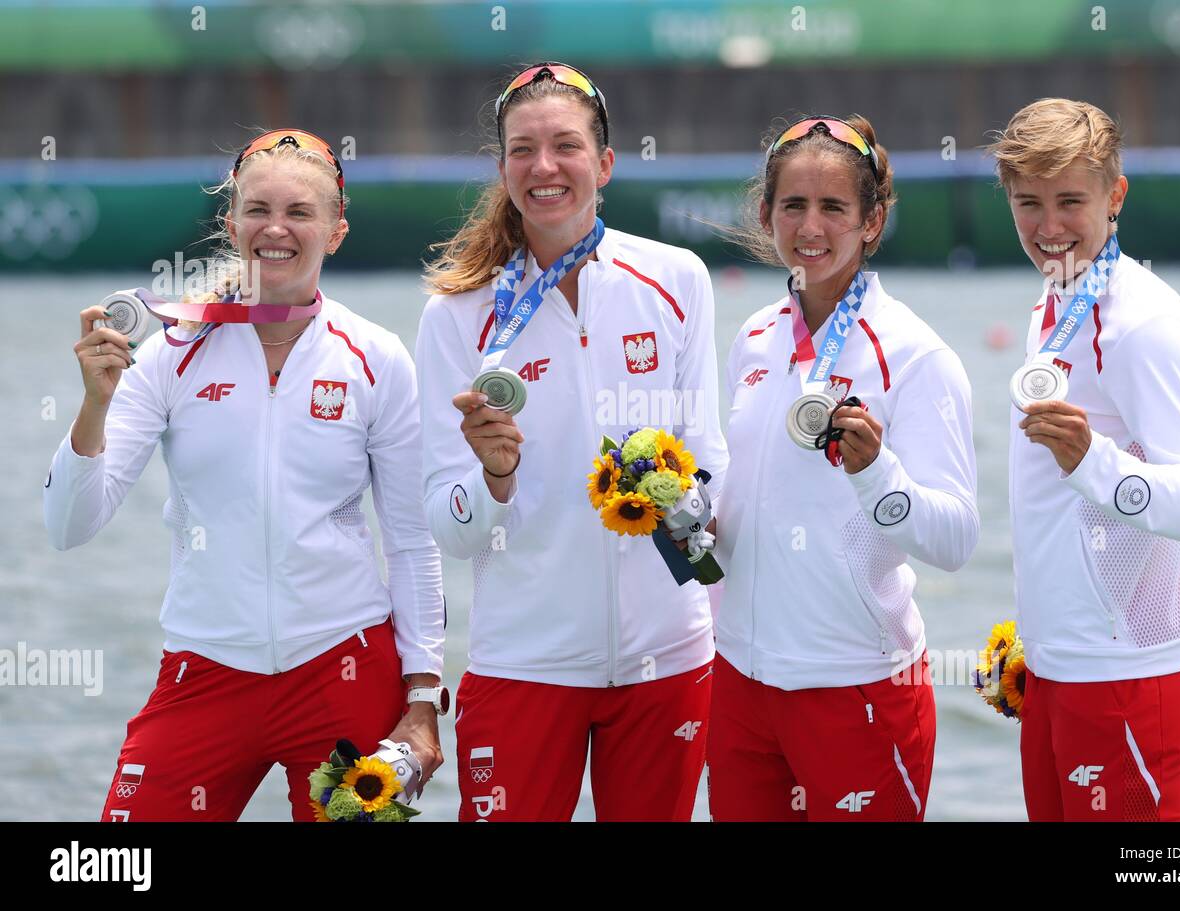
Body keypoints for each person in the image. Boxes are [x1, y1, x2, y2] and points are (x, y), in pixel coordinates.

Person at [44, 129, 446, 822]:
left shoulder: (377, 356)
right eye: (258, 210)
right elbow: (68, 526)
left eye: (300, 212)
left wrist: (422, 700)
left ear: (336, 231)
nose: (277, 229)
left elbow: (412, 541)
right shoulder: (172, 352)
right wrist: (95, 401)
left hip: (341, 670)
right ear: (232, 224)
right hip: (204, 671)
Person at [417, 62, 727, 821]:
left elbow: (713, 459)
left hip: (668, 658)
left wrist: (681, 496)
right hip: (524, 663)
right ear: (501, 169)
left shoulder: (676, 278)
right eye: (523, 150)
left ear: (606, 164)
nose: (544, 167)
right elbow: (448, 530)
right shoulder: (456, 317)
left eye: (565, 146)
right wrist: (493, 480)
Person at [708, 115, 979, 821]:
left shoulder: (916, 355)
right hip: (739, 683)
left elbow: (954, 541)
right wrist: (691, 516)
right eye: (793, 205)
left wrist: (875, 473)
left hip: (858, 688)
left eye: (833, 207)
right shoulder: (753, 337)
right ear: (766, 214)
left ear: (872, 221)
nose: (810, 227)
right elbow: (753, 498)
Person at [988, 98, 1180, 821]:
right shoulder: (1054, 303)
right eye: (1028, 203)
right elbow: (1054, 512)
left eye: (1070, 201)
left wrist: (1091, 460)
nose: (1049, 227)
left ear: (1115, 195)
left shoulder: (1145, 325)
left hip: (1132, 674)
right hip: (1062, 667)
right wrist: (1041, 637)